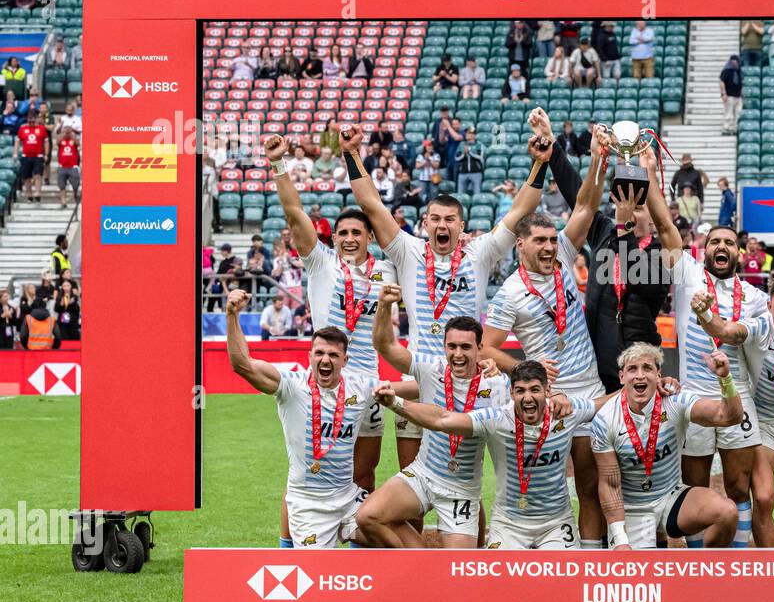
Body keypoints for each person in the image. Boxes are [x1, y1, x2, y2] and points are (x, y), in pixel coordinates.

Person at [342, 122, 546, 475]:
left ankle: (464, 531)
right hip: (422, 379)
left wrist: (540, 164)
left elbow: (518, 213)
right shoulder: (409, 250)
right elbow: (371, 204)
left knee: (465, 478)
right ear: (425, 222)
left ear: (460, 224)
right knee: (411, 476)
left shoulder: (478, 253)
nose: (442, 225)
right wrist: (352, 154)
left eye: (450, 219)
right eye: (435, 218)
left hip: (468, 382)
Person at [267, 131, 398, 548]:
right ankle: (291, 545)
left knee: (365, 470)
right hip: (323, 377)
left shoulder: (387, 272)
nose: (349, 238)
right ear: (334, 237)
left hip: (368, 382)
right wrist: (278, 165)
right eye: (342, 232)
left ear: (368, 238)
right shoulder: (320, 263)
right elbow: (294, 214)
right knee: (302, 469)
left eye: (357, 233)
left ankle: (356, 537)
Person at [481, 143, 610, 548]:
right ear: (521, 244)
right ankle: (531, 540)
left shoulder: (565, 260)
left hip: (588, 389)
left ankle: (588, 558)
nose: (550, 247)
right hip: (547, 397)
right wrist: (522, 369)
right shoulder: (510, 293)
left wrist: (598, 159)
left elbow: (586, 208)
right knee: (544, 481)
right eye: (540, 241)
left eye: (553, 241)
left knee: (592, 482)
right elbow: (486, 348)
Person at [645, 153, 774, 549]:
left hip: (738, 399)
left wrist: (706, 317)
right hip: (691, 399)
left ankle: (733, 560)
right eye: (714, 241)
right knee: (694, 486)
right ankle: (700, 562)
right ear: (703, 248)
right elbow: (665, 223)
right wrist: (650, 172)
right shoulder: (686, 274)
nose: (721, 246)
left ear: (739, 253)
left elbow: (733, 335)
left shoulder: (754, 297)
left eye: (729, 243)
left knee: (738, 484)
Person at [224, 289, 381, 549]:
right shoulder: (292, 386)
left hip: (348, 500)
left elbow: (398, 390)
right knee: (314, 577)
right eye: (319, 353)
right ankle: (289, 552)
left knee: (389, 532)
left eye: (332, 355)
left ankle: (419, 571)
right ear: (309, 357)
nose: (325, 359)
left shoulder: (359, 386)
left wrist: (450, 379)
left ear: (345, 360)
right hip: (310, 504)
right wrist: (232, 315)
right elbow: (242, 364)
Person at [383, 361, 595, 549]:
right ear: (511, 394)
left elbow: (603, 404)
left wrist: (627, 389)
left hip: (556, 525)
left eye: (535, 390)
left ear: (548, 390)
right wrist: (396, 403)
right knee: (497, 584)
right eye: (520, 390)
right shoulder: (497, 419)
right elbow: (442, 418)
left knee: (560, 583)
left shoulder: (567, 411)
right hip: (509, 526)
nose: (527, 397)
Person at [358, 291, 510, 548]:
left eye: (466, 347)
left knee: (457, 572)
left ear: (480, 349)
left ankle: (432, 563)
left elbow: (444, 419)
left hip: (461, 490)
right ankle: (420, 562)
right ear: (444, 347)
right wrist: (383, 305)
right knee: (366, 517)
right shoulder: (432, 367)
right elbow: (387, 346)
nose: (458, 354)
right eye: (452, 346)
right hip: (423, 474)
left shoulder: (497, 385)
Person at [534, 110, 669, 391]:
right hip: (595, 365)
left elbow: (638, 280)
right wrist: (551, 142)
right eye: (623, 203)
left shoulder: (660, 254)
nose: (629, 210)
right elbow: (578, 198)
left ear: (653, 218)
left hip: (637, 370)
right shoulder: (606, 232)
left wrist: (624, 229)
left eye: (638, 207)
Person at [691, 273, 774, 547]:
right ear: (769, 306)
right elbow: (725, 331)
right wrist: (705, 312)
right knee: (763, 499)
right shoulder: (759, 327)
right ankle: (772, 570)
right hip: (762, 424)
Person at [591, 343, 743, 549]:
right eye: (632, 369)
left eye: (647, 368)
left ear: (658, 375)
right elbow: (610, 485)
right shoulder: (606, 419)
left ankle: (704, 571)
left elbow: (729, 416)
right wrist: (620, 540)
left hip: (670, 497)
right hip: (632, 510)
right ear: (621, 377)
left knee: (727, 513)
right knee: (640, 577)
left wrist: (725, 378)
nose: (640, 375)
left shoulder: (675, 401)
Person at [719, 54, 744, 135]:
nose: (737, 63)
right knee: (728, 113)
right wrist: (723, 94)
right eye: (736, 61)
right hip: (729, 95)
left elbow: (741, 83)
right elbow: (722, 82)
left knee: (738, 113)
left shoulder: (739, 71)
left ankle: (734, 129)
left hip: (738, 96)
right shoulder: (726, 71)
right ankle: (726, 129)